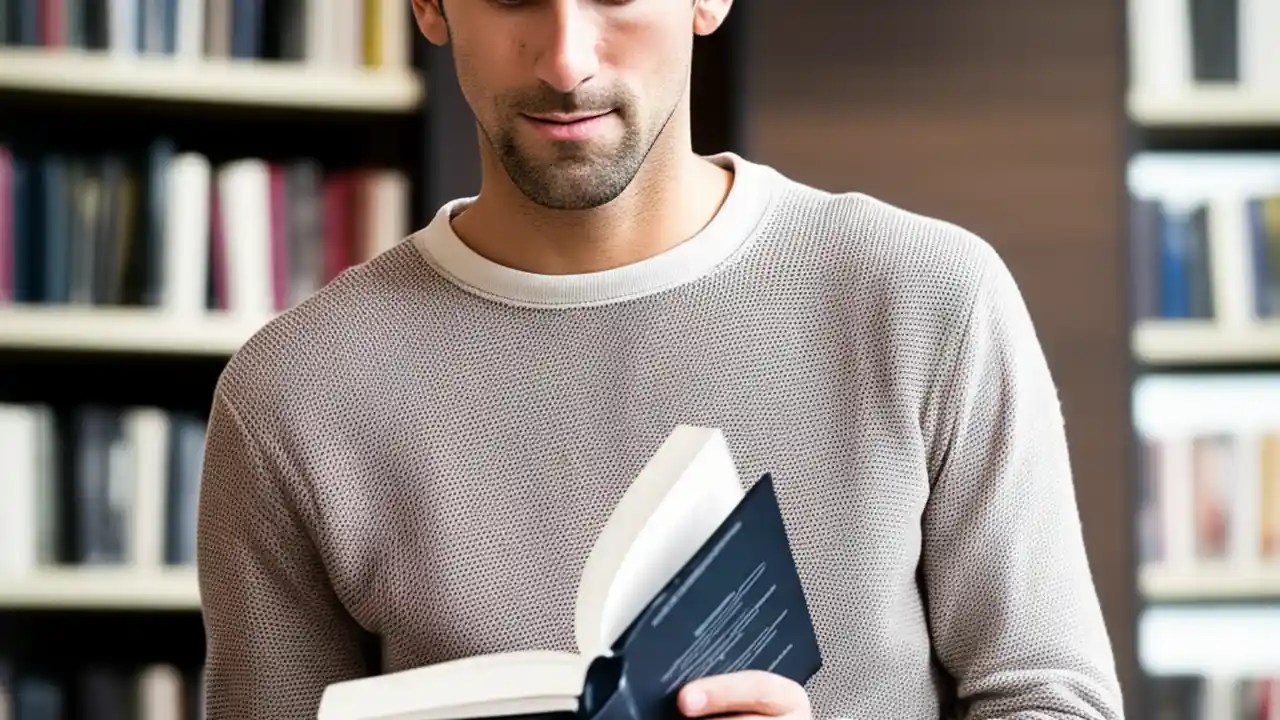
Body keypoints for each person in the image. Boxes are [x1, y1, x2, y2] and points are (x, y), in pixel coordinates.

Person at [195, 0, 1126, 718]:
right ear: (430, 6)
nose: (566, 60)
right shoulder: (291, 395)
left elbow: (1053, 701)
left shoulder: (927, 299)